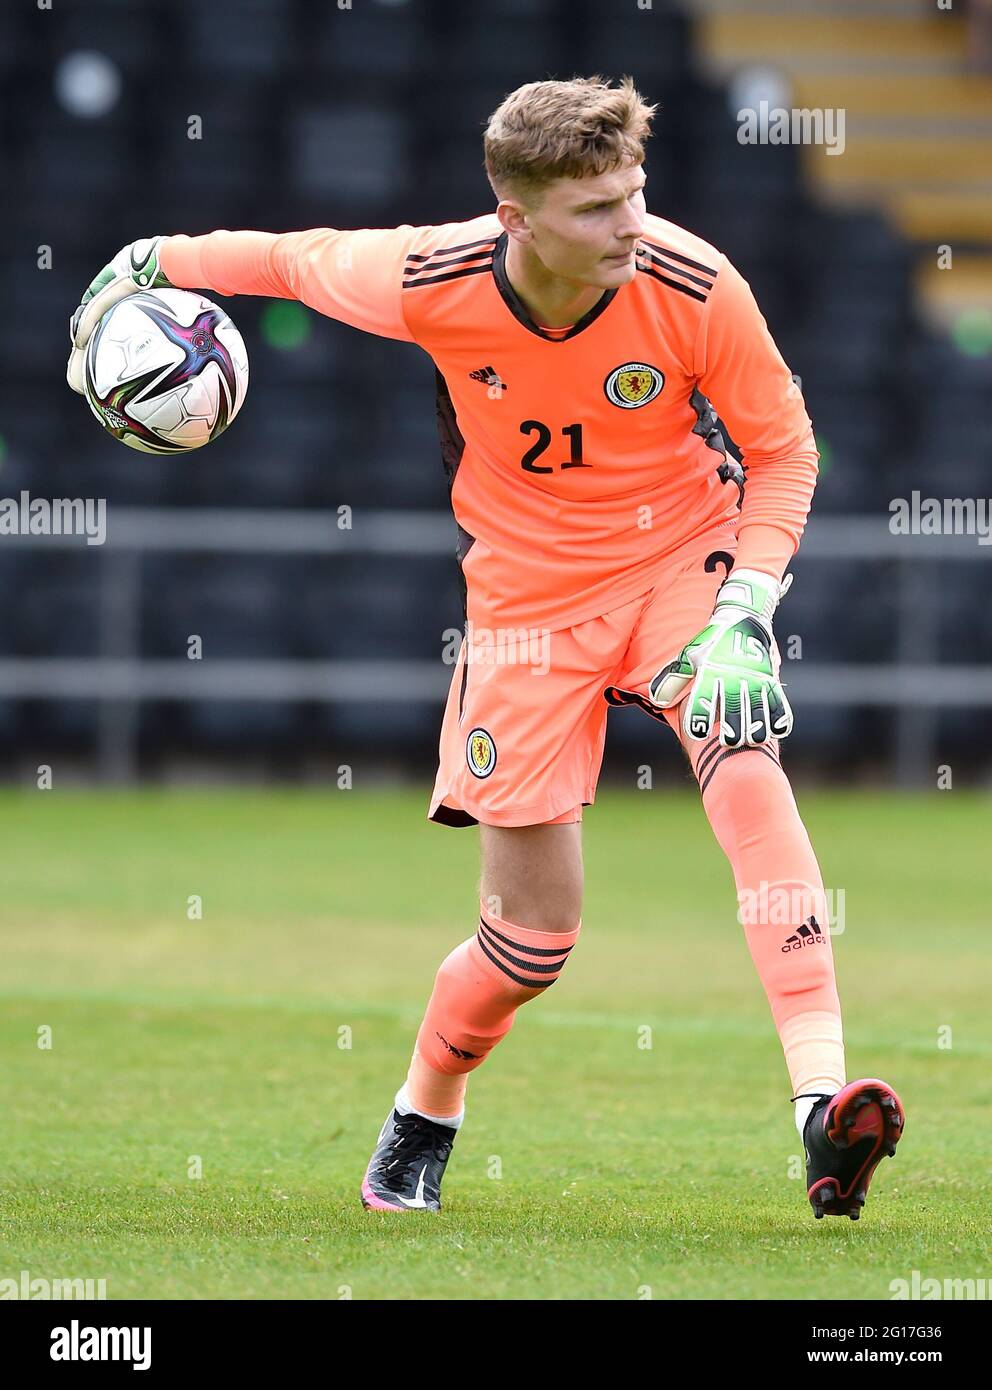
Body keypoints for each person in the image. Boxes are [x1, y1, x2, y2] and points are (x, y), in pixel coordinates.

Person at [67, 75, 905, 1221]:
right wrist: (152, 259)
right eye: (598, 209)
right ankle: (423, 1109)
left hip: (682, 559)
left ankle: (818, 1104)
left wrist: (745, 606)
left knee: (741, 750)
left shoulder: (692, 282)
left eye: (636, 193)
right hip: (523, 598)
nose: (631, 225)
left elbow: (785, 451)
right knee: (530, 944)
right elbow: (290, 258)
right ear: (514, 218)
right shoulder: (431, 276)